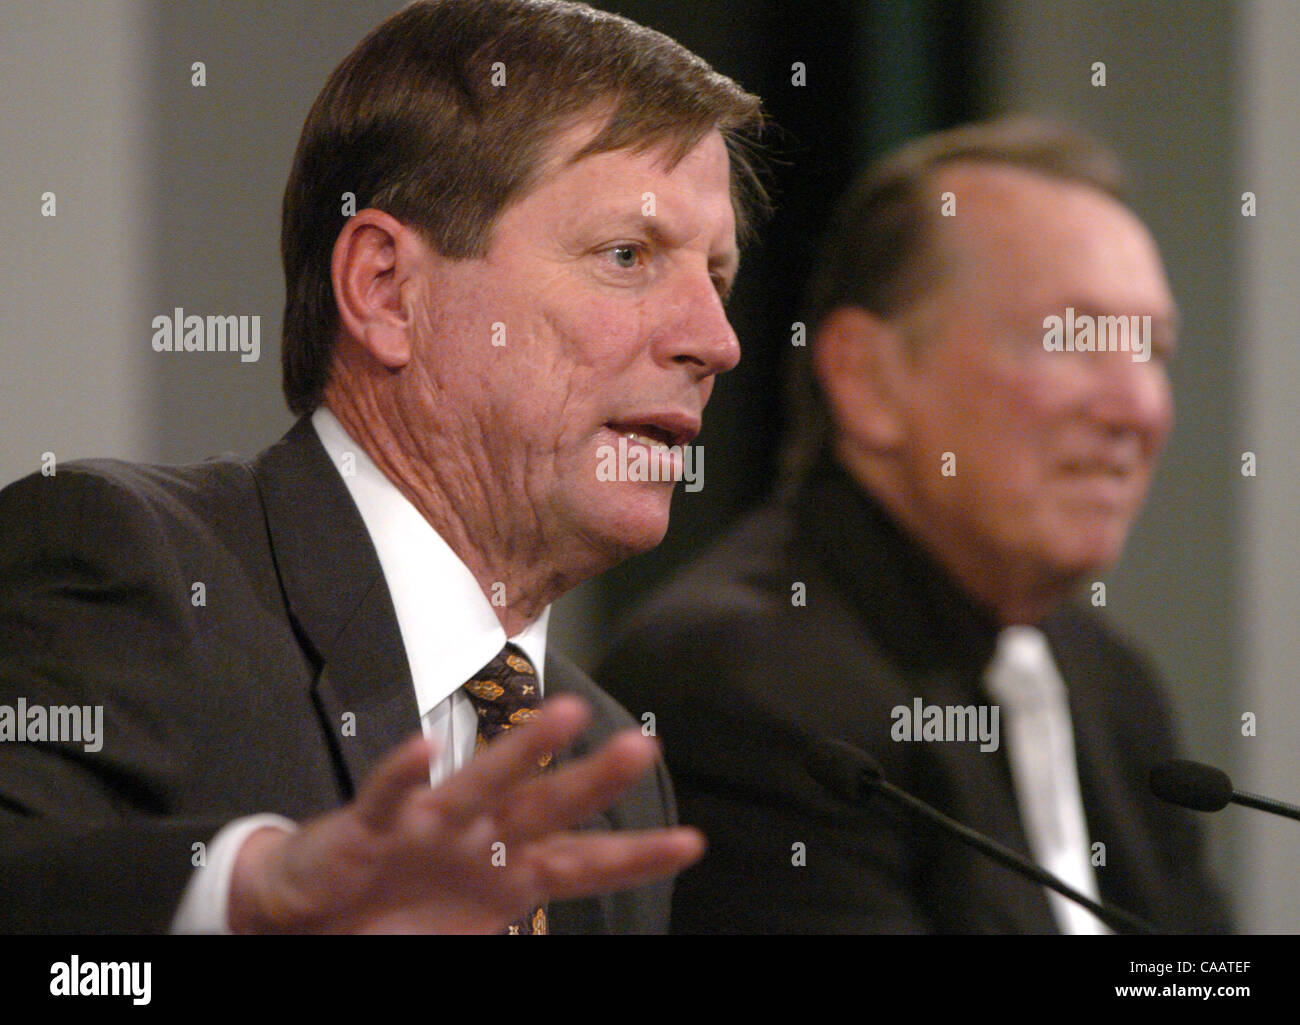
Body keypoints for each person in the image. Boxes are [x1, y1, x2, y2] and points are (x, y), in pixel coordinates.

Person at [0, 0, 765, 934]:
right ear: (386, 290)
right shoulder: (133, 569)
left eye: (717, 278)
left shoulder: (605, 766)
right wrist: (249, 895)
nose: (715, 341)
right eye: (627, 256)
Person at [598, 118, 1231, 934]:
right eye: (1075, 338)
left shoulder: (1108, 681)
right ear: (869, 379)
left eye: (1154, 350)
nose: (1138, 408)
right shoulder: (739, 687)